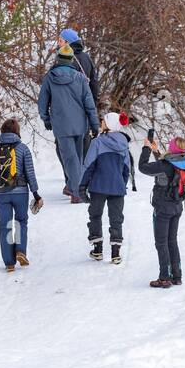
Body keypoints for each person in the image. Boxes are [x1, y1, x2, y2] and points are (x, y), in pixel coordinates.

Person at [38, 43, 100, 204]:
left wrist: (46, 119)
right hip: (80, 124)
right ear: (72, 59)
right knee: (76, 158)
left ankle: (76, 191)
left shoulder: (50, 78)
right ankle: (74, 188)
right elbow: (89, 103)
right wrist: (94, 124)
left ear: (59, 59)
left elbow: (43, 102)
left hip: (61, 124)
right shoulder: (80, 78)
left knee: (71, 158)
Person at [0, 119, 42, 273]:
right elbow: (30, 172)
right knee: (21, 221)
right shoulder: (23, 148)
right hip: (20, 192)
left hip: (1, 194)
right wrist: (36, 194)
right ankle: (20, 251)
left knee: (5, 226)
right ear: (17, 131)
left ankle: (9, 263)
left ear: (2, 132)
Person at [79, 111, 134, 264]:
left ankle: (97, 250)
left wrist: (83, 185)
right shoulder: (124, 144)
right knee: (116, 219)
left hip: (98, 186)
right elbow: (126, 169)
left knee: (95, 216)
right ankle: (115, 253)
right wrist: (121, 184)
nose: (101, 122)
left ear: (109, 124)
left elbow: (88, 165)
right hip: (117, 188)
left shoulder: (97, 142)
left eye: (104, 120)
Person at [139, 135, 185, 288]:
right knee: (172, 241)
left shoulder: (164, 165)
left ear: (173, 149)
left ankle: (164, 278)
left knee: (161, 243)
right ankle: (177, 276)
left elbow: (143, 167)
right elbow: (167, 165)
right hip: (177, 207)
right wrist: (156, 151)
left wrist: (146, 149)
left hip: (162, 209)